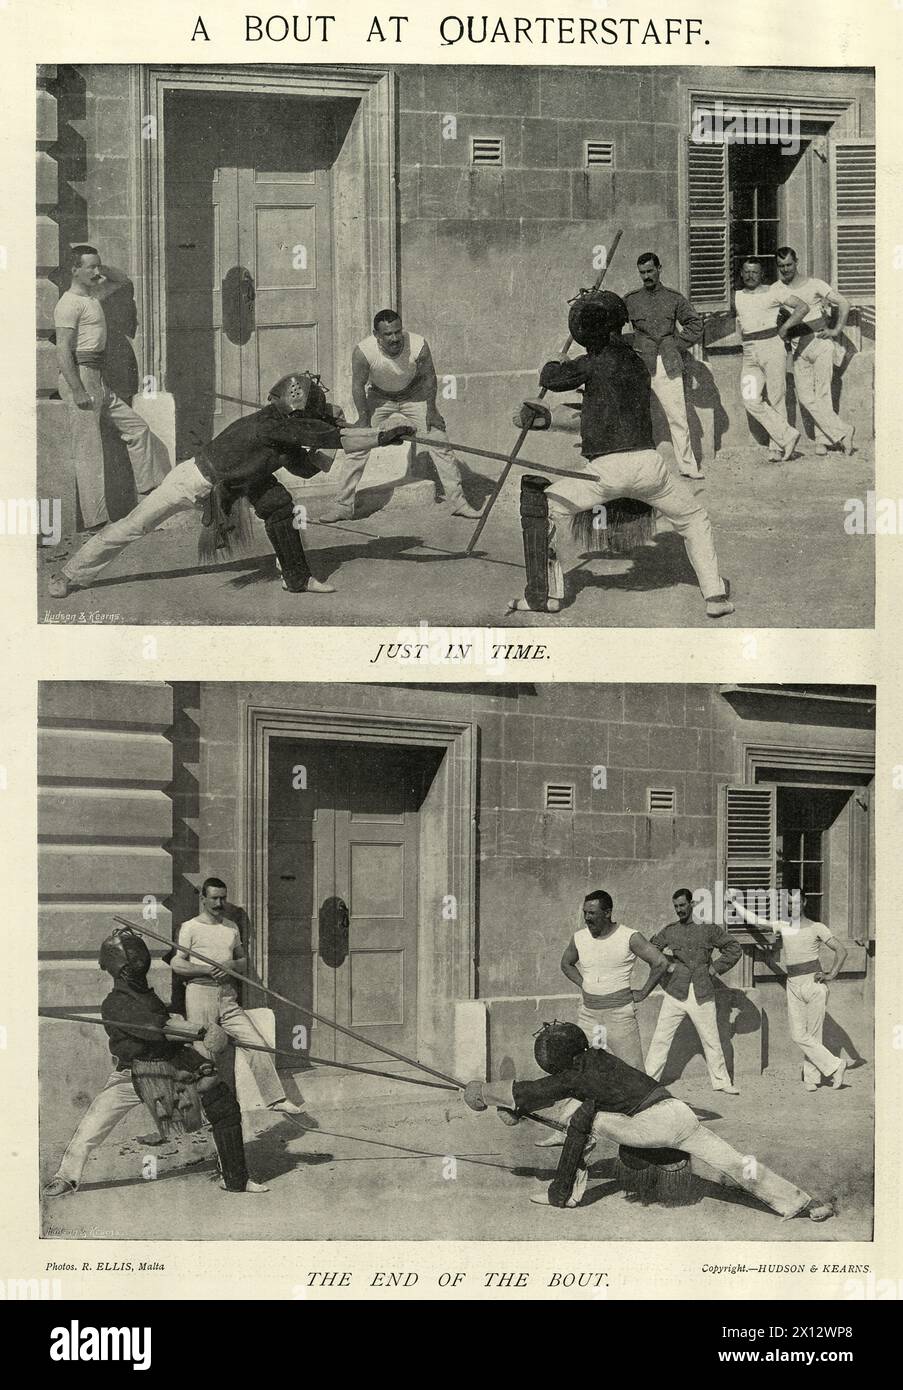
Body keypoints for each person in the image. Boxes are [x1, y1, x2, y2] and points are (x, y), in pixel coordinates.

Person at [48, 371, 414, 599]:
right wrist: (381, 438)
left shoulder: (282, 428)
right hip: (195, 482)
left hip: (242, 480)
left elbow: (310, 461)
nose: (318, 417)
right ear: (298, 410)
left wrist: (357, 437)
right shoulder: (275, 425)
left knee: (279, 507)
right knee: (134, 526)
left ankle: (297, 579)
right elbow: (339, 440)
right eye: (314, 412)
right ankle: (70, 573)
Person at [463, 1020, 834, 1219]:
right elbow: (539, 1093)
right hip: (678, 1113)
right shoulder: (601, 1058)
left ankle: (561, 1195)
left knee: (582, 1120)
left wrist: (482, 1093)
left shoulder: (574, 1075)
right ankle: (802, 1203)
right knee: (735, 1162)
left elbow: (531, 1091)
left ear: (556, 1058)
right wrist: (516, 1105)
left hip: (650, 1126)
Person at [510, 290, 735, 618]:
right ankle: (715, 595)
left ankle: (545, 595)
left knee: (545, 507)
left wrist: (555, 360)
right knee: (694, 518)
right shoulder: (638, 362)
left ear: (586, 335)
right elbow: (601, 410)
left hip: (607, 472)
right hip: (651, 468)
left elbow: (551, 379)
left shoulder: (593, 361)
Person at [42, 926, 267, 1197]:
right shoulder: (114, 1004)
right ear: (119, 969)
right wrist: (202, 1031)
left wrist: (208, 1034)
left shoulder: (147, 996)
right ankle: (66, 1177)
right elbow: (157, 1028)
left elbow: (167, 1024)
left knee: (223, 1103)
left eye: (139, 966)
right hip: (134, 1073)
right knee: (94, 1123)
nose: (135, 972)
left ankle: (235, 1179)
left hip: (171, 1064)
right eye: (130, 968)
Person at [534, 889, 669, 1148]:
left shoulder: (629, 936)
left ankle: (654, 1134)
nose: (587, 918)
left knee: (634, 1075)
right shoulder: (580, 938)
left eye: (592, 913)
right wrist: (585, 985)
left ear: (608, 913)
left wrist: (643, 992)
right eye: (585, 913)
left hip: (619, 1015)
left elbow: (660, 963)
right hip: (588, 1015)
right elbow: (566, 964)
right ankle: (565, 1130)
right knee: (576, 1071)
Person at [319, 309, 481, 522]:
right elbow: (358, 386)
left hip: (415, 396)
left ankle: (458, 502)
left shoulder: (418, 344)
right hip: (379, 398)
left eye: (397, 332)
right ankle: (343, 506)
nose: (395, 338)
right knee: (357, 445)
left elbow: (430, 378)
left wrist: (432, 411)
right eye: (388, 334)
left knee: (438, 440)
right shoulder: (363, 351)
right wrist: (364, 418)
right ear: (376, 334)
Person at [54, 245, 166, 530]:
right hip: (81, 375)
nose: (96, 272)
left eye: (98, 266)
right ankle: (96, 522)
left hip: (99, 379)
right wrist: (77, 389)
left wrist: (101, 270)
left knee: (137, 430)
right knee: (89, 451)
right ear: (73, 270)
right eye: (89, 267)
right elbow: (63, 351)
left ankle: (152, 495)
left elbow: (123, 280)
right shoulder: (68, 304)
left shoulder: (93, 296)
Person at [170, 878, 304, 1114]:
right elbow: (177, 964)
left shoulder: (231, 927)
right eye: (214, 898)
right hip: (200, 993)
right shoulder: (190, 927)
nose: (220, 903)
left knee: (256, 1043)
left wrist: (230, 964)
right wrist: (205, 968)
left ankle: (275, 1099)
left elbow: (243, 962)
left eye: (223, 898)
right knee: (204, 1054)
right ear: (203, 899)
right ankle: (203, 1112)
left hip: (228, 996)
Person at [729, 888, 849, 1091]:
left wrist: (831, 974)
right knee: (799, 1034)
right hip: (793, 984)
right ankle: (835, 1065)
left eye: (795, 902)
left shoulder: (817, 927)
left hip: (813, 983)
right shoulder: (784, 926)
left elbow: (842, 951)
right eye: (789, 903)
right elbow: (756, 920)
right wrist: (734, 903)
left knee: (813, 1033)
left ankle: (813, 1078)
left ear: (803, 903)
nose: (792, 906)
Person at [643, 888, 742, 1093]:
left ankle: (722, 1082)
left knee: (711, 1038)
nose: (679, 910)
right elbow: (650, 949)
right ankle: (648, 1083)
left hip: (702, 992)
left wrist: (714, 969)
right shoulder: (670, 931)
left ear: (692, 904)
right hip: (675, 992)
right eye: (676, 906)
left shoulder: (709, 930)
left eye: (682, 905)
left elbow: (734, 948)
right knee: (661, 1037)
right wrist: (668, 965)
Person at [624, 252, 705, 479]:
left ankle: (688, 466)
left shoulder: (674, 298)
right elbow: (613, 325)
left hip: (668, 364)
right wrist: (627, 346)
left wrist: (675, 345)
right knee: (636, 416)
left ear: (660, 268)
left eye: (650, 271)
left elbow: (695, 325)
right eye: (642, 272)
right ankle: (636, 469)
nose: (647, 276)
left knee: (678, 417)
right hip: (641, 364)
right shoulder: (631, 300)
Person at [775, 247, 855, 457]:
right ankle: (844, 431)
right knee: (805, 397)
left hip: (820, 344)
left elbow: (844, 303)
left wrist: (836, 329)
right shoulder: (777, 288)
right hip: (798, 349)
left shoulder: (815, 284)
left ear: (797, 262)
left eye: (789, 265)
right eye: (781, 266)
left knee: (822, 394)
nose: (785, 269)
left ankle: (824, 441)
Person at [732, 257, 810, 462]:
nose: (750, 276)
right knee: (750, 398)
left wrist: (784, 328)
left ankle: (777, 447)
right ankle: (788, 434)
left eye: (755, 272)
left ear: (762, 274)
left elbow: (802, 307)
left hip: (771, 347)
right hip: (749, 352)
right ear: (741, 273)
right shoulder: (737, 296)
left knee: (776, 397)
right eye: (746, 272)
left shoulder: (774, 291)